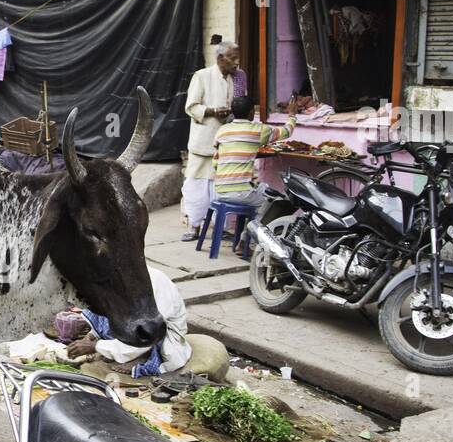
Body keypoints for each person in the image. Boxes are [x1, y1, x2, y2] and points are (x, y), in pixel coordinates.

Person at [66, 266, 230, 381]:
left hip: (160, 337)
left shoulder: (155, 286)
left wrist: (95, 347)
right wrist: (92, 335)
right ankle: (112, 348)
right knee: (103, 306)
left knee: (145, 331)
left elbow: (146, 336)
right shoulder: (121, 281)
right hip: (135, 325)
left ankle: (143, 358)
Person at [181, 41, 241, 240]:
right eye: (232, 58)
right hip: (202, 141)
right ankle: (194, 226)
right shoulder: (202, 76)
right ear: (220, 58)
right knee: (196, 187)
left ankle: (219, 226)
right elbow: (190, 106)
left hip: (223, 142)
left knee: (219, 188)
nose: (236, 62)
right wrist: (212, 111)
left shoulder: (236, 79)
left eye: (237, 58)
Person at [213, 94, 298, 215]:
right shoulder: (258, 130)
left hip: (219, 191)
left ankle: (251, 228)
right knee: (278, 203)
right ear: (251, 112)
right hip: (242, 193)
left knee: (263, 188)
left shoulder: (222, 130)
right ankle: (254, 232)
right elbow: (287, 131)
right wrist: (292, 115)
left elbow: (215, 162)